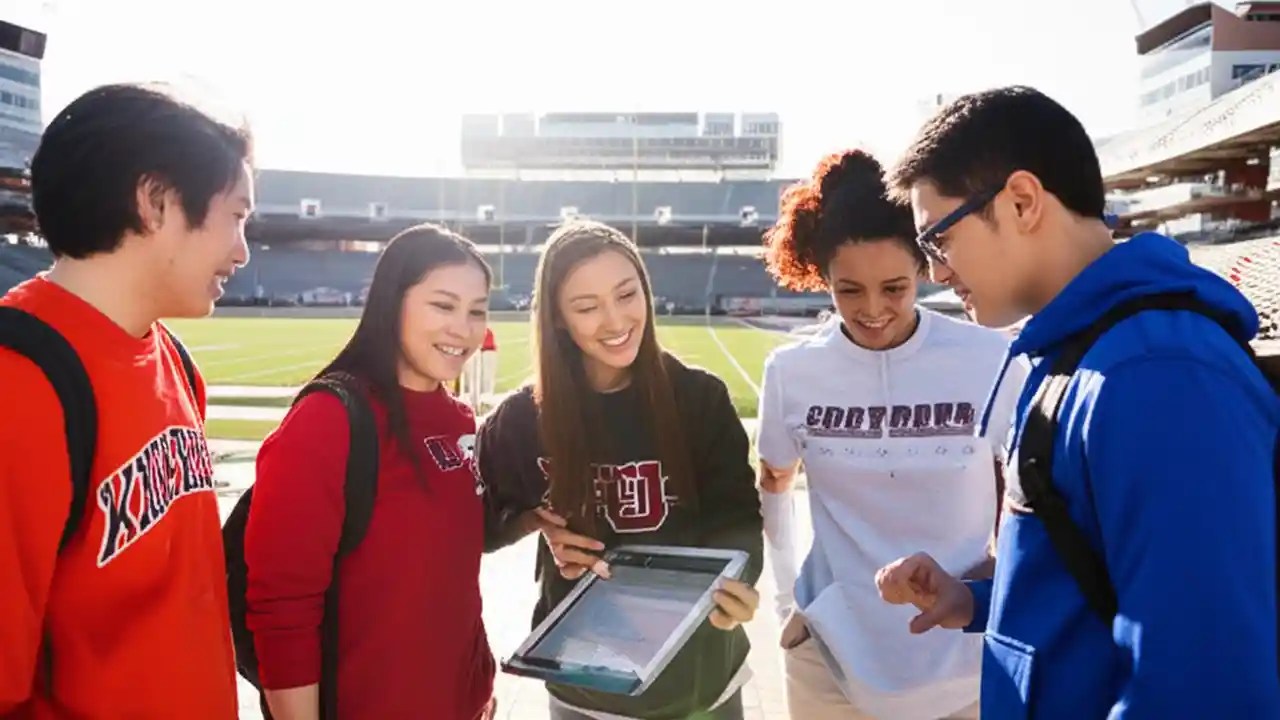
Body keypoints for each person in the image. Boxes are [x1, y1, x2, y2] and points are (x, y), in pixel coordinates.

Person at [875, 85, 1280, 719]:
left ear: (1022, 201)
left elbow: (1205, 685)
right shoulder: (1083, 351)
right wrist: (978, 599)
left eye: (939, 242)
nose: (938, 274)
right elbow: (1094, 572)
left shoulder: (1160, 376)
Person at [0, 82, 251, 719]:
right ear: (156, 202)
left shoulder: (174, 359)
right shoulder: (20, 381)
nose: (242, 251)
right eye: (237, 216)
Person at [756, 149, 1024, 720]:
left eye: (895, 288)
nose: (873, 310)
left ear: (924, 267)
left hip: (964, 661)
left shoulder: (991, 357)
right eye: (848, 290)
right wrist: (787, 601)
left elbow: (1028, 498)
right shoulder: (791, 372)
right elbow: (774, 483)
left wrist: (993, 582)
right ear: (821, 276)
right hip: (829, 658)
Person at [476, 219, 763, 720]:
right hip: (582, 690)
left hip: (699, 685)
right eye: (587, 307)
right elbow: (479, 527)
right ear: (559, 319)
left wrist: (739, 586)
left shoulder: (700, 399)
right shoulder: (523, 418)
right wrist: (533, 524)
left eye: (627, 294)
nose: (615, 321)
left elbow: (739, 523)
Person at [243, 224, 497, 719]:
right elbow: (282, 606)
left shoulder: (460, 422)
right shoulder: (329, 419)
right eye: (443, 306)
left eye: (477, 311)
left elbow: (452, 578)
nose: (462, 329)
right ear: (392, 302)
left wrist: (477, 683)